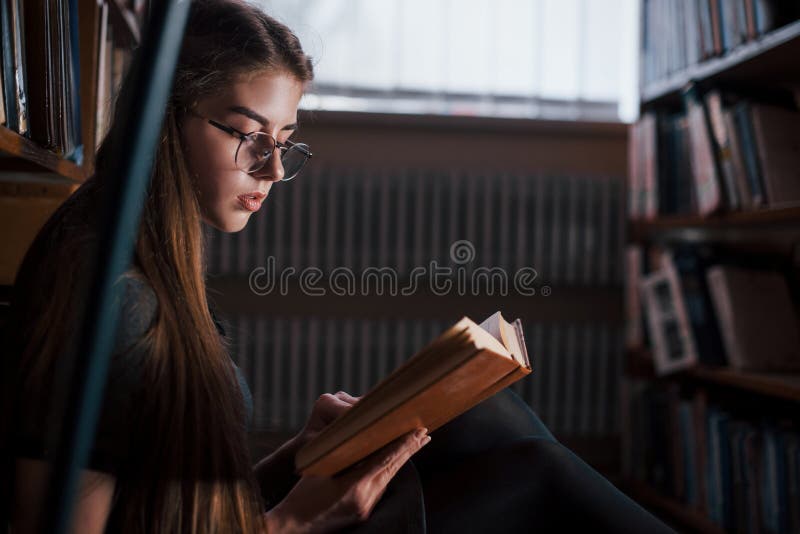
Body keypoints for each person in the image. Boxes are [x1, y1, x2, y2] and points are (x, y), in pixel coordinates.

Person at [0, 1, 675, 532]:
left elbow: (171, 495)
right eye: (248, 136)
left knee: (485, 417)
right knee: (533, 478)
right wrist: (292, 520)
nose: (270, 170)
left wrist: (301, 455)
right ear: (164, 115)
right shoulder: (107, 291)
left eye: (284, 144)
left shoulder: (142, 245)